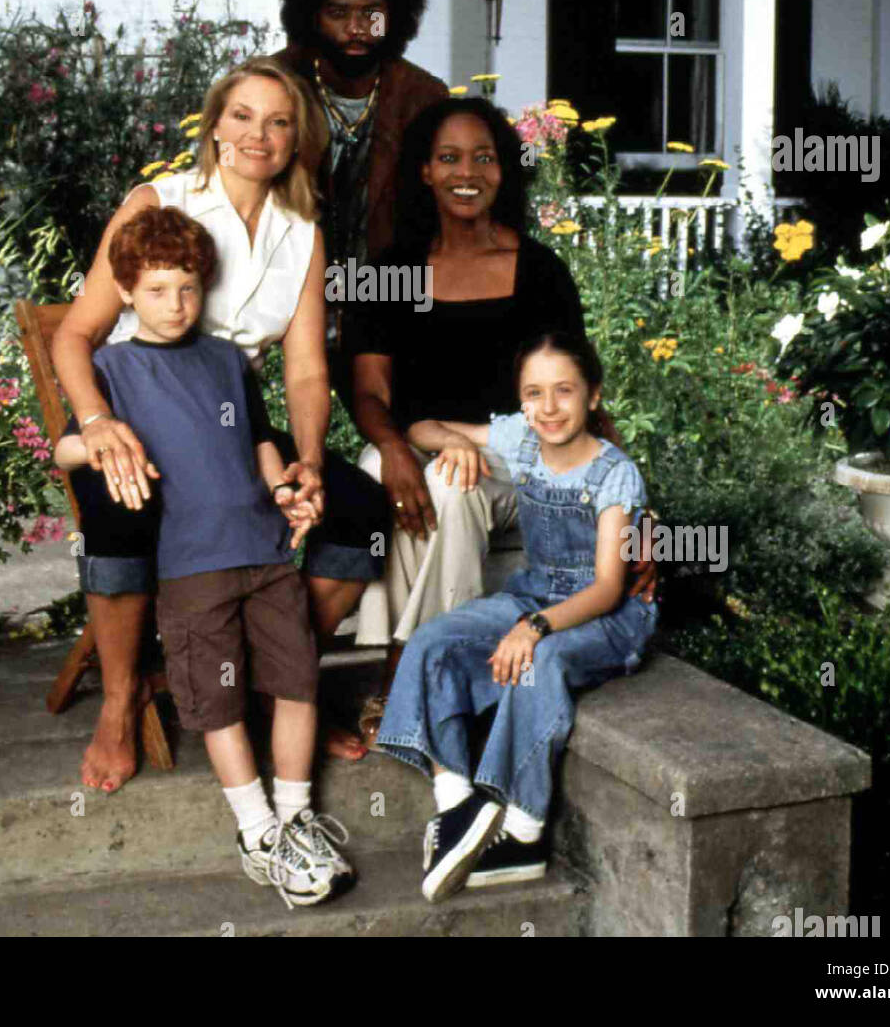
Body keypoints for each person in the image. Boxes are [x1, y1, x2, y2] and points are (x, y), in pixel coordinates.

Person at [50, 58, 388, 784]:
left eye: (278, 120)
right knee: (120, 508)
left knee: (358, 510)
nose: (258, 134)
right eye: (242, 115)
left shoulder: (301, 232)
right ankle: (119, 703)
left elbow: (304, 369)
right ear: (214, 125)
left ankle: (278, 676)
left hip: (240, 417)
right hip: (142, 406)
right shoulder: (160, 202)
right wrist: (98, 422)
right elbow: (73, 335)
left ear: (299, 136)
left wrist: (304, 459)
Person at [53, 203, 354, 908]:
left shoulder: (225, 359)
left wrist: (284, 486)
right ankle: (255, 832)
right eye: (157, 290)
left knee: (297, 679)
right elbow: (67, 448)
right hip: (190, 564)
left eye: (187, 287)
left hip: (265, 549)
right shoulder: (113, 370)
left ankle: (295, 816)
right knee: (216, 700)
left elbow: (257, 442)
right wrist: (97, 438)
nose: (176, 304)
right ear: (125, 290)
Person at [347, 97, 650, 740]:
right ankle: (435, 668)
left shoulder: (538, 272)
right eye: (449, 157)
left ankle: (404, 668)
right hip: (414, 443)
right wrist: (400, 449)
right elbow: (369, 392)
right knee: (404, 479)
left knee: (454, 488)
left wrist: (633, 509)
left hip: (517, 456)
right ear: (425, 172)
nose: (468, 172)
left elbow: (576, 390)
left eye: (484, 157)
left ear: (504, 171)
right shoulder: (390, 272)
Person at [374, 330, 659, 903]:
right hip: (535, 591)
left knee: (540, 661)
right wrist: (458, 444)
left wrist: (533, 628)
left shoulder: (614, 474)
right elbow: (418, 429)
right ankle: (458, 803)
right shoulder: (521, 439)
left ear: (593, 396)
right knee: (435, 639)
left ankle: (524, 831)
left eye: (564, 391)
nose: (548, 408)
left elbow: (607, 588)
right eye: (534, 393)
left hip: (607, 615)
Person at [273, 0, 448, 277]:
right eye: (338, 12)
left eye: (372, 13)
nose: (356, 28)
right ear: (312, 14)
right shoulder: (276, 83)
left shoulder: (423, 96)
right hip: (291, 284)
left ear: (396, 13)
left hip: (388, 293)